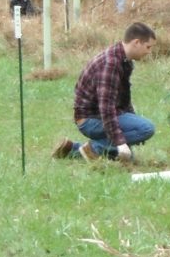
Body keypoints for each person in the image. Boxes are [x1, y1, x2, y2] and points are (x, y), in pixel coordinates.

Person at [53, 22, 157, 163]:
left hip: (100, 116)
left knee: (127, 156)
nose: (149, 52)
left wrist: (133, 125)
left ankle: (72, 149)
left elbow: (124, 100)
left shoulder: (124, 61)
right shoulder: (111, 64)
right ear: (136, 42)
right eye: (148, 47)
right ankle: (95, 148)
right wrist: (122, 141)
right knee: (146, 129)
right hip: (90, 120)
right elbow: (106, 109)